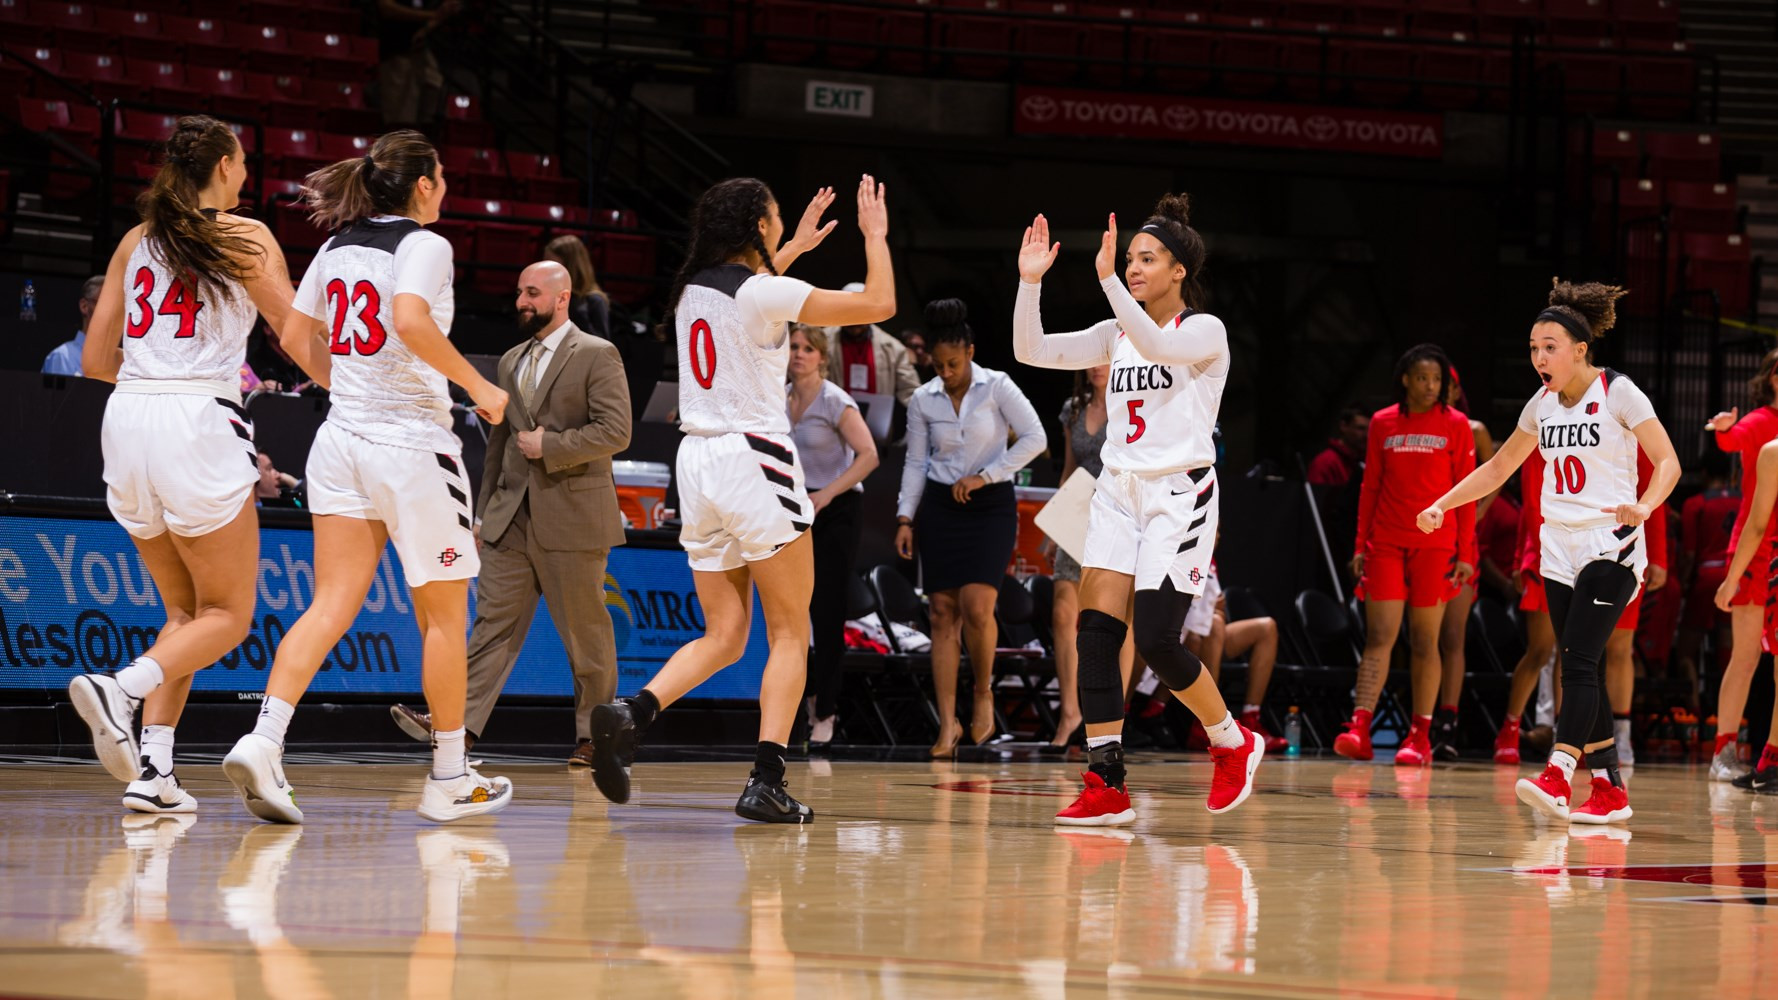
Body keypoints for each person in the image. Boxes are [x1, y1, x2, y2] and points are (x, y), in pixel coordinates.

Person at [222, 130, 515, 825]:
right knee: (443, 615)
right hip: (411, 446)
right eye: (441, 176)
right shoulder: (425, 245)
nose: (445, 187)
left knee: (330, 604)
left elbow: (294, 339)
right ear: (422, 186)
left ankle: (264, 739)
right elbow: (409, 320)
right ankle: (449, 776)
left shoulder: (338, 245)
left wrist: (350, 389)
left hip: (341, 442)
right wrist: (480, 386)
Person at [585, 174, 896, 824]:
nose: (782, 225)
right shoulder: (764, 292)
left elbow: (754, 297)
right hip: (755, 459)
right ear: (758, 226)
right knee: (789, 632)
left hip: (698, 462)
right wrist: (875, 237)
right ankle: (767, 778)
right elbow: (880, 303)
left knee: (725, 635)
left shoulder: (696, 289)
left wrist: (796, 250)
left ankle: (629, 713)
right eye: (777, 218)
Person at [64, 116, 294, 812]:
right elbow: (296, 335)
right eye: (244, 160)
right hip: (197, 419)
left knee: (186, 613)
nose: (248, 172)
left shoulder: (137, 241)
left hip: (127, 415)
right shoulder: (247, 235)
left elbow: (96, 360)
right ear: (223, 166)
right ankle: (121, 688)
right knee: (230, 614)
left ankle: (155, 771)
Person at [1012, 198, 1266, 824]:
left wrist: (1102, 281)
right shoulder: (1115, 334)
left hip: (1179, 495)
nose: (1132, 269)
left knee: (1156, 638)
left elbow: (1154, 339)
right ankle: (1106, 780)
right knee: (1096, 635)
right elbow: (1030, 349)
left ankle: (1233, 742)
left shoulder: (1204, 332)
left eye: (1146, 259)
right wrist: (1029, 282)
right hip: (1117, 492)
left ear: (1181, 270)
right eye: (1129, 260)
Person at [1420, 278, 1679, 825]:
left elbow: (1668, 462)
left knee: (1580, 662)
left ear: (1580, 350)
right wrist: (1443, 504)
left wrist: (1647, 504)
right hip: (1556, 546)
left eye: (1550, 346)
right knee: (1577, 664)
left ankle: (1559, 773)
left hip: (1610, 543)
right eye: (1534, 347)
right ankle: (1609, 789)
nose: (1539, 356)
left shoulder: (1619, 392)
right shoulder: (1540, 405)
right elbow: (1497, 468)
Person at [386, 259, 632, 765]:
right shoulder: (510, 360)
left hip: (574, 517)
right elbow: (498, 443)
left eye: (533, 293)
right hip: (509, 518)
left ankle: (596, 736)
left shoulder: (597, 354)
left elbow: (617, 431)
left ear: (562, 298)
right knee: (491, 628)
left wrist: (552, 445)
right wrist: (480, 515)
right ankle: (456, 728)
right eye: (520, 292)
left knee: (586, 636)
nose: (523, 302)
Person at [897, 296, 1046, 756]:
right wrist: (905, 516)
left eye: (954, 363)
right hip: (941, 508)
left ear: (971, 352)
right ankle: (947, 724)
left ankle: (983, 693)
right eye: (939, 365)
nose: (947, 372)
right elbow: (917, 459)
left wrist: (986, 475)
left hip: (989, 506)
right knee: (942, 614)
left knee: (978, 607)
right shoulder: (923, 399)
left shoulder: (997, 386)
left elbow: (1037, 438)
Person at [1337, 345, 1476, 766]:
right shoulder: (1382, 423)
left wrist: (1466, 552)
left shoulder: (1457, 426)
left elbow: (1467, 494)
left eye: (1437, 380)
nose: (1431, 386)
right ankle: (1359, 727)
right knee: (1380, 637)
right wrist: (1361, 545)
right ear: (1405, 379)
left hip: (1436, 546)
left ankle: (1420, 735)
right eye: (1423, 378)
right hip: (1387, 544)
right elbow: (1371, 488)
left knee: (1425, 640)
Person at [787, 323, 880, 748]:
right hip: (794, 508)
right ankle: (798, 702)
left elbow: (869, 456)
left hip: (837, 507)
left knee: (827, 611)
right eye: (793, 347)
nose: (799, 354)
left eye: (808, 349)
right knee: (792, 611)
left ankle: (826, 709)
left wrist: (826, 493)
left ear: (823, 357)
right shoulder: (781, 395)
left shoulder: (834, 399)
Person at [1702, 349, 1778, 781]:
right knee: (1747, 656)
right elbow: (1731, 440)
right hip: (1756, 551)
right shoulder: (1758, 423)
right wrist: (1725, 431)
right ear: (1771, 379)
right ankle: (1724, 750)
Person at [1046, 364, 1130, 752]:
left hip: (1119, 510)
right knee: (1063, 612)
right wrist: (1053, 525)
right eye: (1093, 358)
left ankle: (1116, 717)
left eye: (1106, 358)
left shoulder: (1132, 403)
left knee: (1116, 618)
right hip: (1078, 505)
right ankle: (1069, 711)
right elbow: (1068, 468)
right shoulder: (1073, 409)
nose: (1098, 366)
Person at [1432, 372, 1496, 760]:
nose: (1437, 388)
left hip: (1462, 542)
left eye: (1444, 382)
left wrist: (1471, 516)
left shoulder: (1474, 430)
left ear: (1456, 389)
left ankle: (1447, 722)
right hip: (1424, 539)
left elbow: (1496, 477)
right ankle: (1419, 721)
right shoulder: (1410, 426)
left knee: (1452, 636)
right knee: (1422, 640)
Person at [1712, 439, 1778, 794]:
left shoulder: (1773, 451)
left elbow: (1756, 526)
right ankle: (1766, 759)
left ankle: (1770, 761)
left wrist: (1731, 580)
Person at [1180, 557, 1287, 752]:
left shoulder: (1210, 559)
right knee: (1215, 624)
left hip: (1206, 632)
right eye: (1216, 529)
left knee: (1267, 628)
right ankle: (1206, 722)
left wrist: (1216, 611)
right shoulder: (1181, 545)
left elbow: (1215, 608)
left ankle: (1251, 717)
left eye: (1219, 531)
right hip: (1179, 633)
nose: (1217, 535)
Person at [1673, 453, 1737, 713]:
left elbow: (1688, 554)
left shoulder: (1694, 504)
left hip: (1705, 579)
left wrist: (1684, 582)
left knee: (1686, 649)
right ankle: (1729, 710)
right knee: (1729, 649)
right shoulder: (1742, 500)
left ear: (1703, 474)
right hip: (1733, 578)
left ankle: (1695, 710)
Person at [825, 280, 922, 408]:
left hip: (875, 425)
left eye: (861, 312)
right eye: (849, 311)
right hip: (831, 421)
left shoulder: (893, 348)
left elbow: (910, 391)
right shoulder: (822, 341)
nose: (855, 319)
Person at [374, 0, 456, 126]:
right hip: (397, 52)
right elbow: (386, 8)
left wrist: (427, 28)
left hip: (420, 53)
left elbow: (443, 12)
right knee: (401, 116)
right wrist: (432, 15)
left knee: (433, 90)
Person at [542, 234, 611, 340]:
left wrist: (581, 319)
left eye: (554, 266)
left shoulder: (594, 301)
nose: (548, 272)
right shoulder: (549, 295)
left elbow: (603, 346)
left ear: (571, 268)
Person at [41, 275, 104, 376]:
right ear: (84, 306)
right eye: (104, 303)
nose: (113, 312)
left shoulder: (123, 362)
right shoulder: (62, 357)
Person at [1306, 406, 1369, 488]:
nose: (1367, 435)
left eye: (1370, 429)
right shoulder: (1326, 463)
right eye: (1360, 428)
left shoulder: (1365, 462)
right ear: (1344, 426)